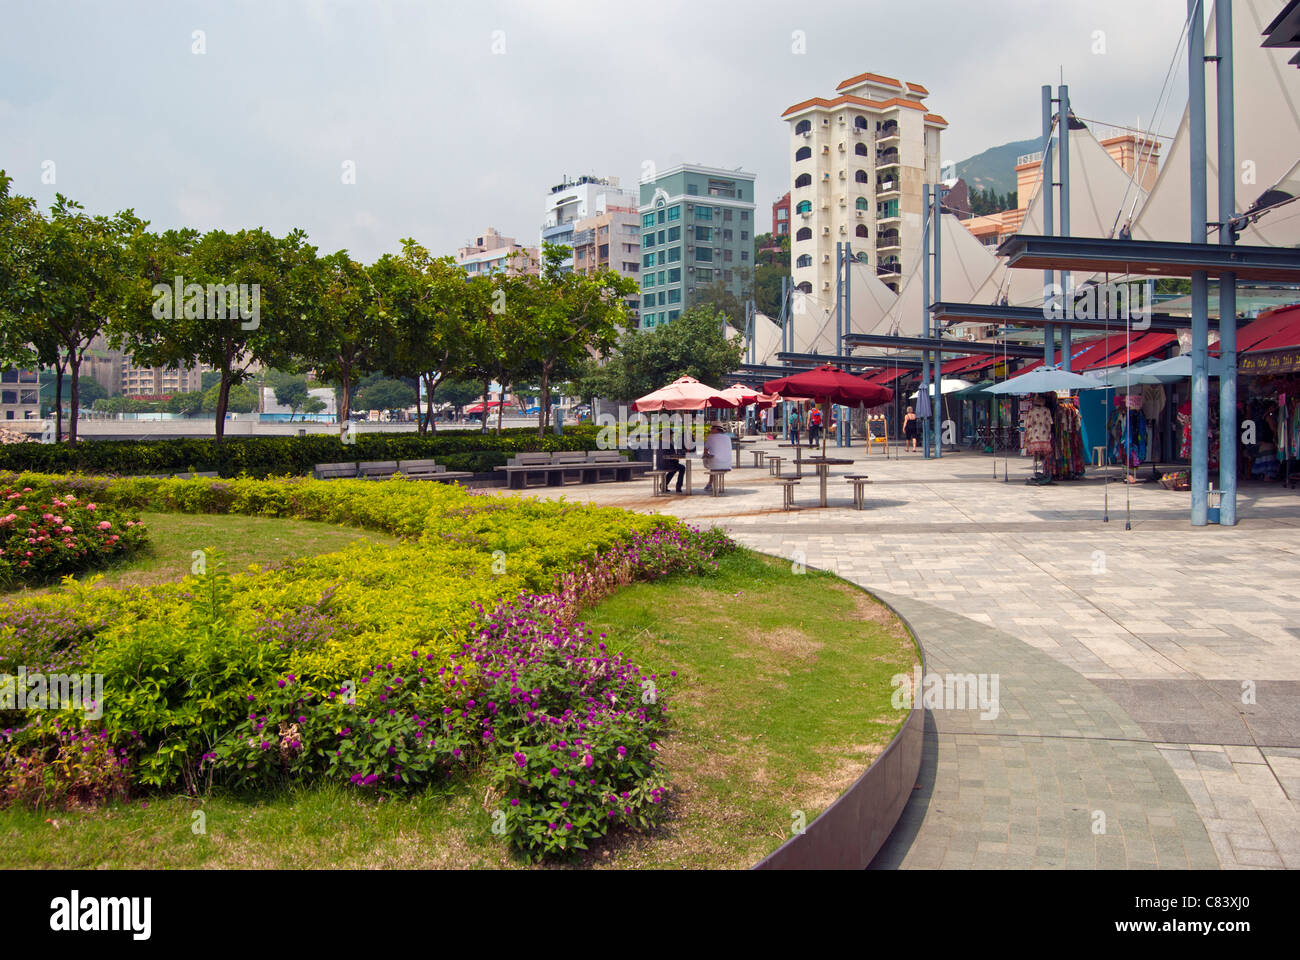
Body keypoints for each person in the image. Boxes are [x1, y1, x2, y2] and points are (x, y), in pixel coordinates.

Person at [701, 424, 733, 493]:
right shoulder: (727, 437)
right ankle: (710, 484)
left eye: (712, 428)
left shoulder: (710, 437)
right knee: (715, 461)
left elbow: (705, 450)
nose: (711, 429)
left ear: (716, 429)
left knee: (712, 462)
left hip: (715, 464)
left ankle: (710, 484)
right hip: (727, 464)